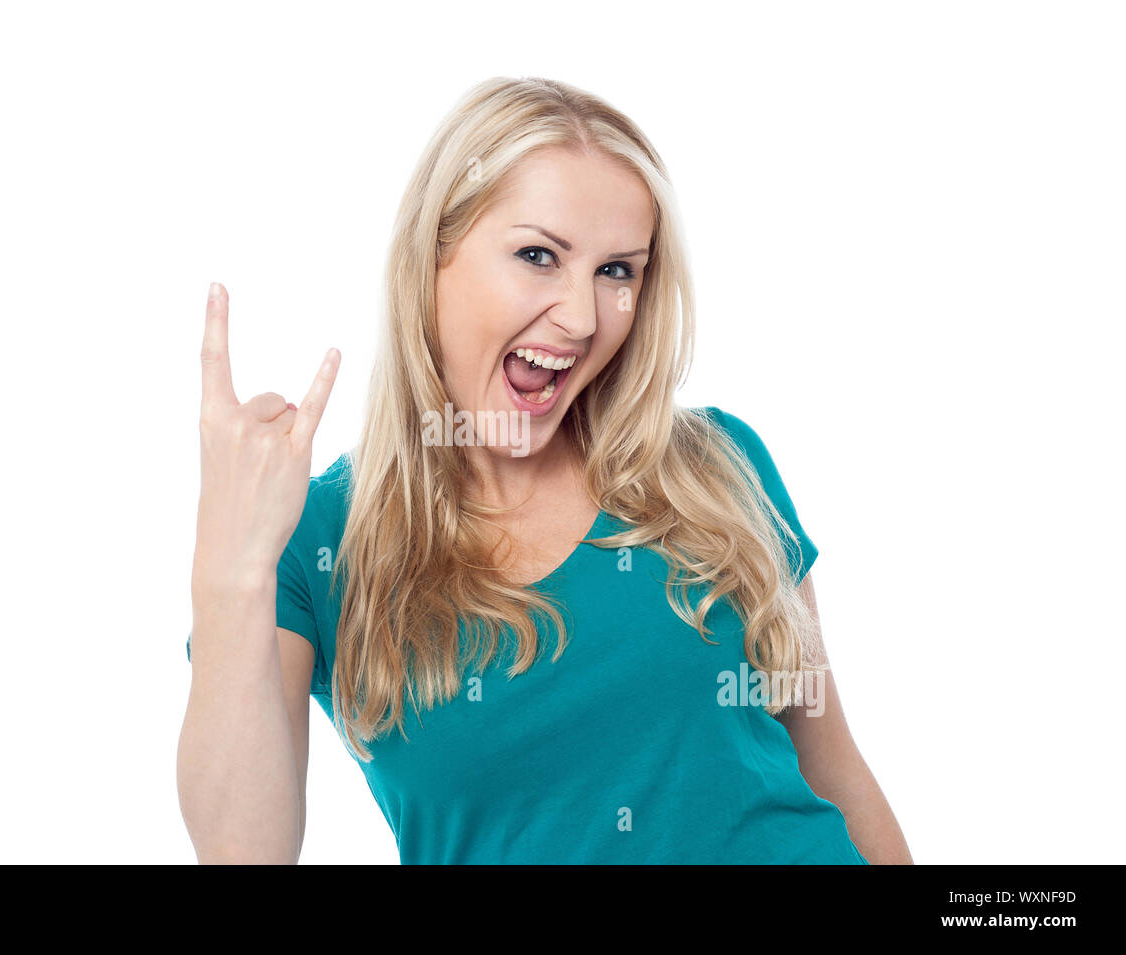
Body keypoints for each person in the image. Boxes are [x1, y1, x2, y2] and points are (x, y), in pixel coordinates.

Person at [177, 76, 913, 865]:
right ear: (432, 256)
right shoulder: (316, 541)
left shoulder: (717, 467)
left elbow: (835, 769)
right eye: (538, 256)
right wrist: (231, 567)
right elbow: (240, 852)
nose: (582, 316)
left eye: (618, 270)